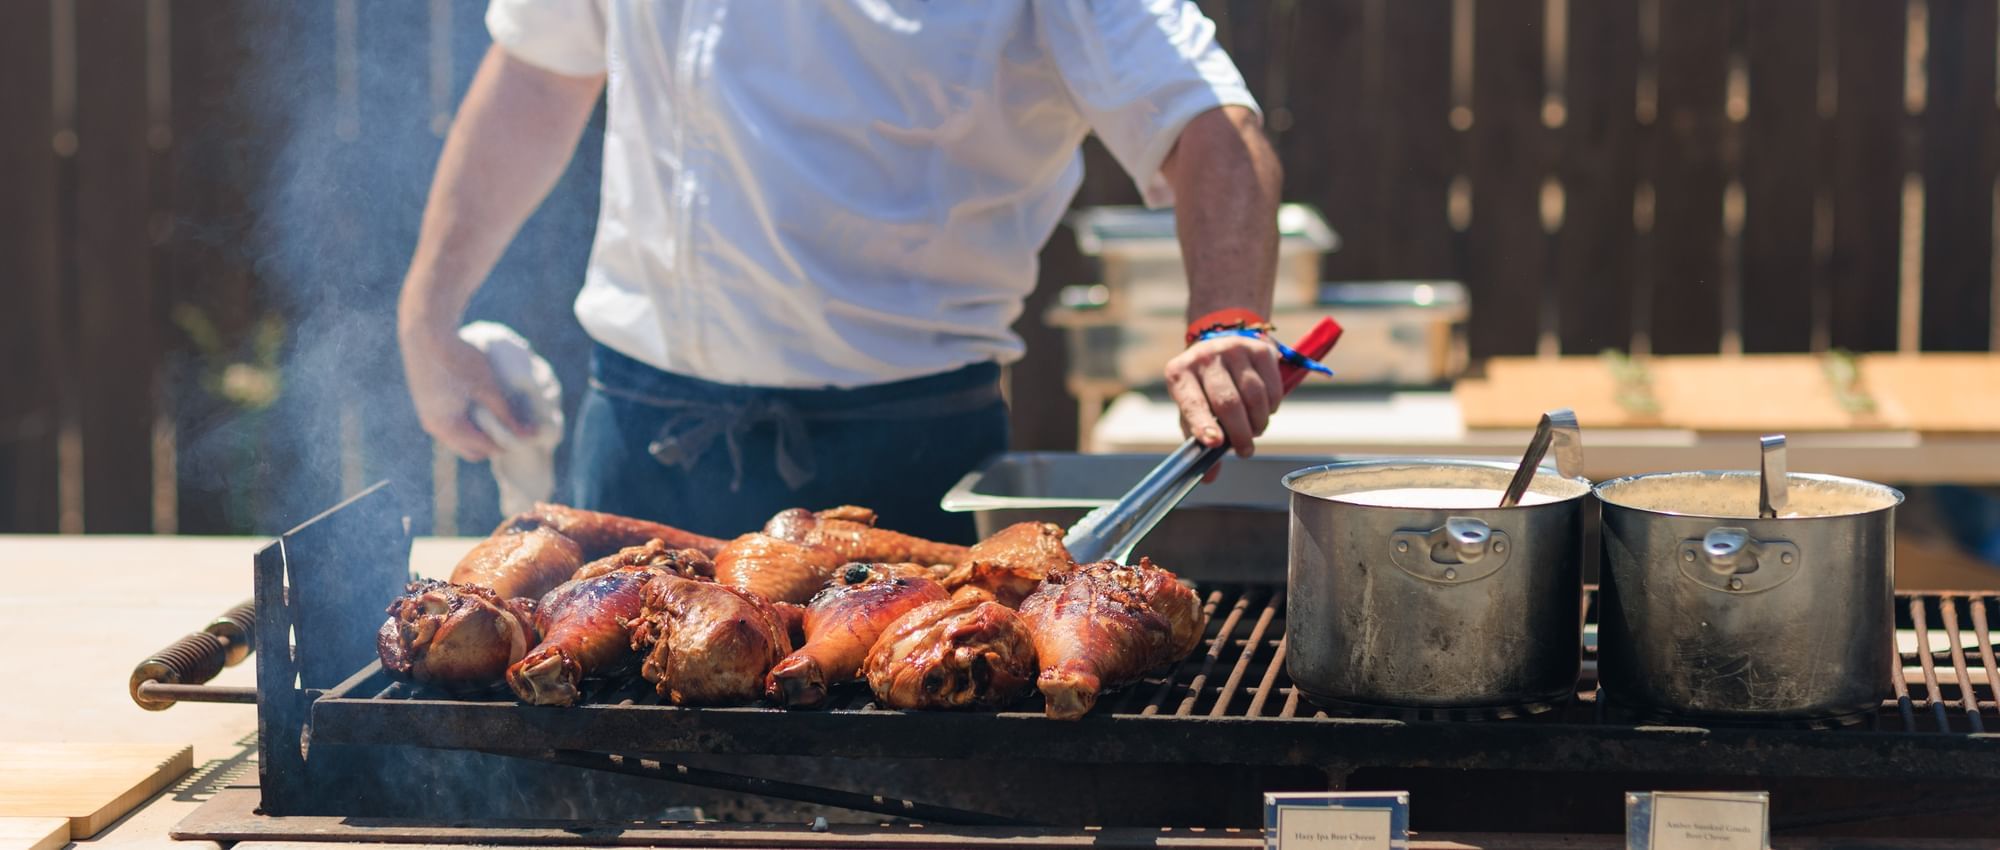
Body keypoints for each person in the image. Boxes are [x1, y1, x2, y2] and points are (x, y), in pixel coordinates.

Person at [397, 0, 1286, 543]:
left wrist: (1227, 320)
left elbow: (1211, 130)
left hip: (896, 465)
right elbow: (540, 78)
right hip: (640, 443)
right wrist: (427, 314)